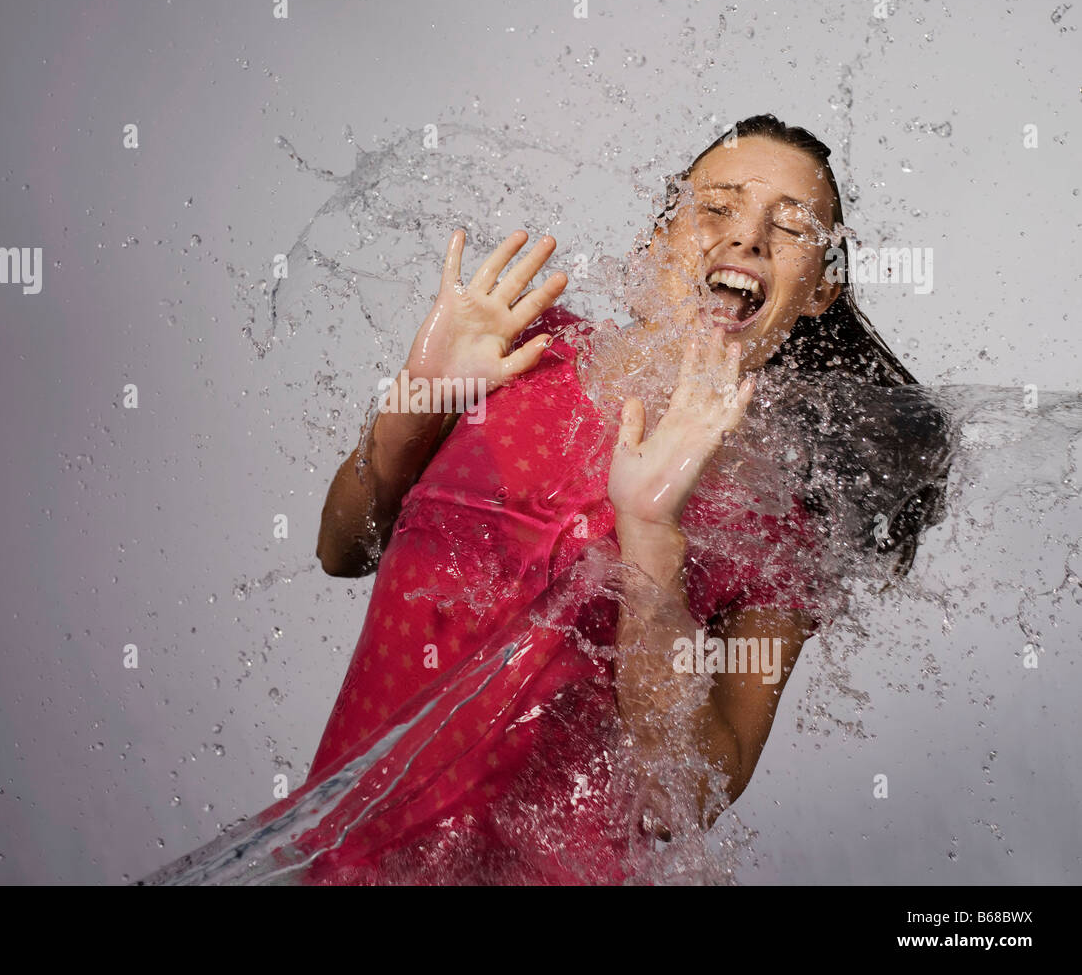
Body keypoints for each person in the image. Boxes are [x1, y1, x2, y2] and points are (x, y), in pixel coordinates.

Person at [270, 114, 951, 885]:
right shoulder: (521, 355)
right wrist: (422, 396)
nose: (749, 239)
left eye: (790, 229)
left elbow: (681, 800)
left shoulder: (780, 523)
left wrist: (651, 535)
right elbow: (343, 549)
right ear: (654, 243)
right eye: (718, 207)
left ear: (819, 289)